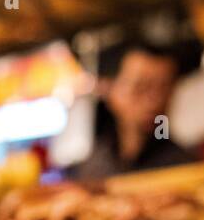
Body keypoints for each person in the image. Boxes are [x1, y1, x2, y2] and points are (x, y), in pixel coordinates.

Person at [75, 45, 191, 180]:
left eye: (164, 89)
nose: (153, 101)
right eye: (140, 88)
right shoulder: (94, 165)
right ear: (109, 89)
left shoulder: (183, 165)